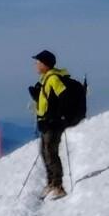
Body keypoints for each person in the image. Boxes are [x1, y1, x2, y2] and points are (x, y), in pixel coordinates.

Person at [29, 49, 71, 199]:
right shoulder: (45, 78)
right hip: (46, 122)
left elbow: (64, 96)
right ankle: (51, 183)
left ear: (45, 64)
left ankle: (58, 187)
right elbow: (47, 100)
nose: (36, 65)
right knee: (45, 151)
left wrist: (55, 116)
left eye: (38, 62)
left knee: (50, 153)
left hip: (53, 123)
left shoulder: (53, 78)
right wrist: (37, 96)